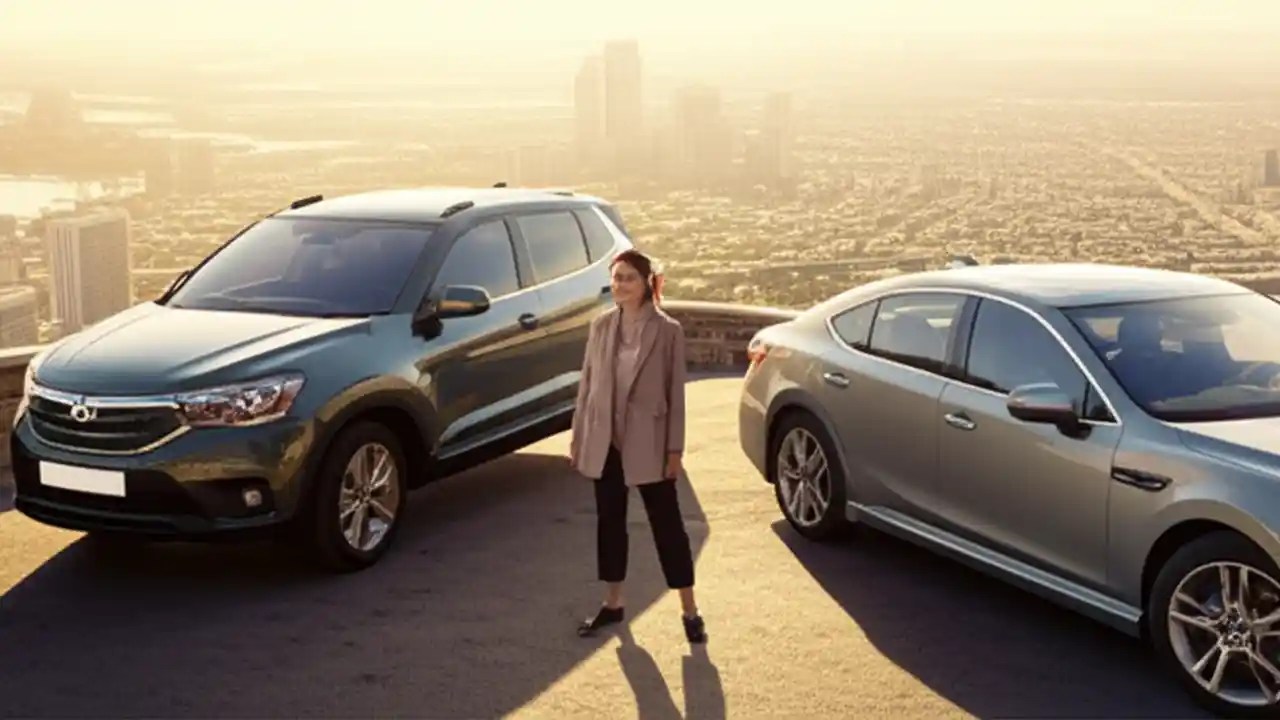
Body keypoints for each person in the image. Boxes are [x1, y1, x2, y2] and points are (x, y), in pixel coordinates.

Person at [569, 248, 706, 644]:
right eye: (615, 278)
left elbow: (675, 397)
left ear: (647, 282)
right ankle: (613, 604)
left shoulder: (668, 331)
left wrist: (674, 450)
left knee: (668, 526)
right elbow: (587, 388)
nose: (619, 285)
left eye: (628, 277)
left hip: (649, 442)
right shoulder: (600, 327)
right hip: (604, 440)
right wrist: (579, 437)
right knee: (609, 523)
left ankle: (689, 608)